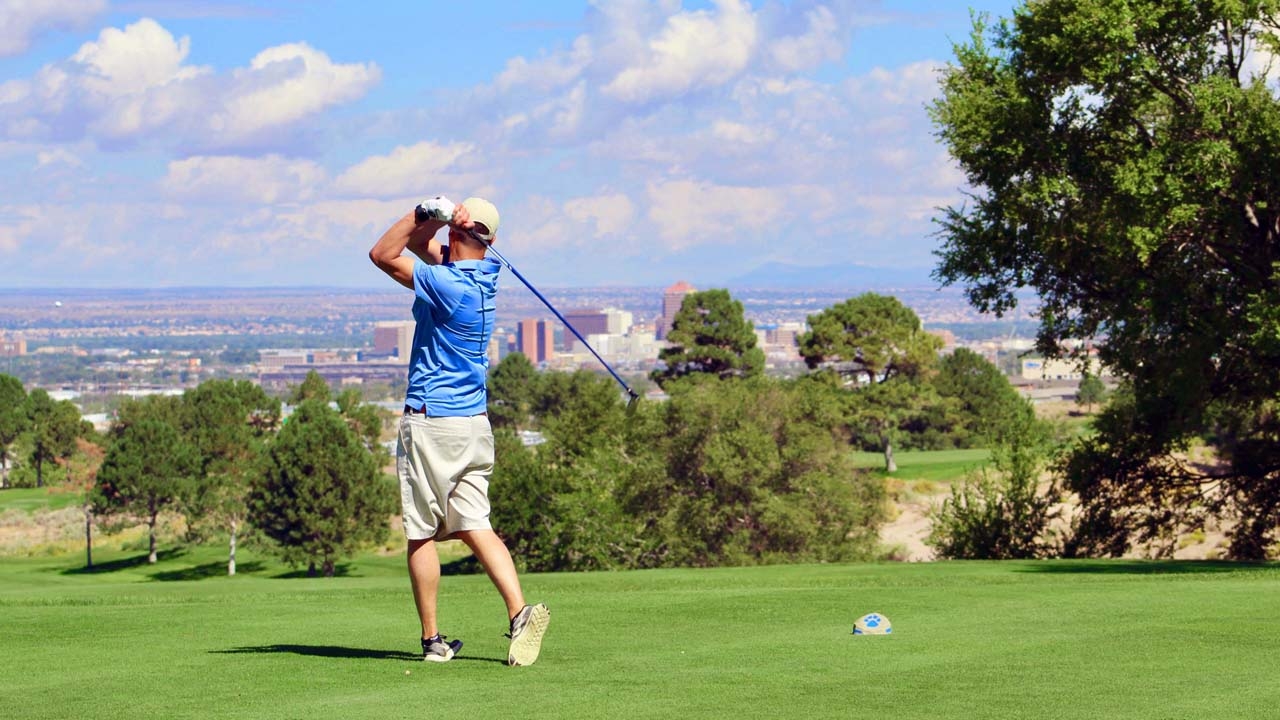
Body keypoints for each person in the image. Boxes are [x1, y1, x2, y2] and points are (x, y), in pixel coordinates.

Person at [368, 195, 549, 666]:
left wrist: (420, 212)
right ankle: (518, 612)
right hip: (473, 426)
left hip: (433, 423)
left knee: (421, 533)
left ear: (463, 232)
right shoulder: (483, 277)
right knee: (475, 523)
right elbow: (430, 249)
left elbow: (383, 255)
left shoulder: (450, 286)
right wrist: (439, 223)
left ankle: (432, 641)